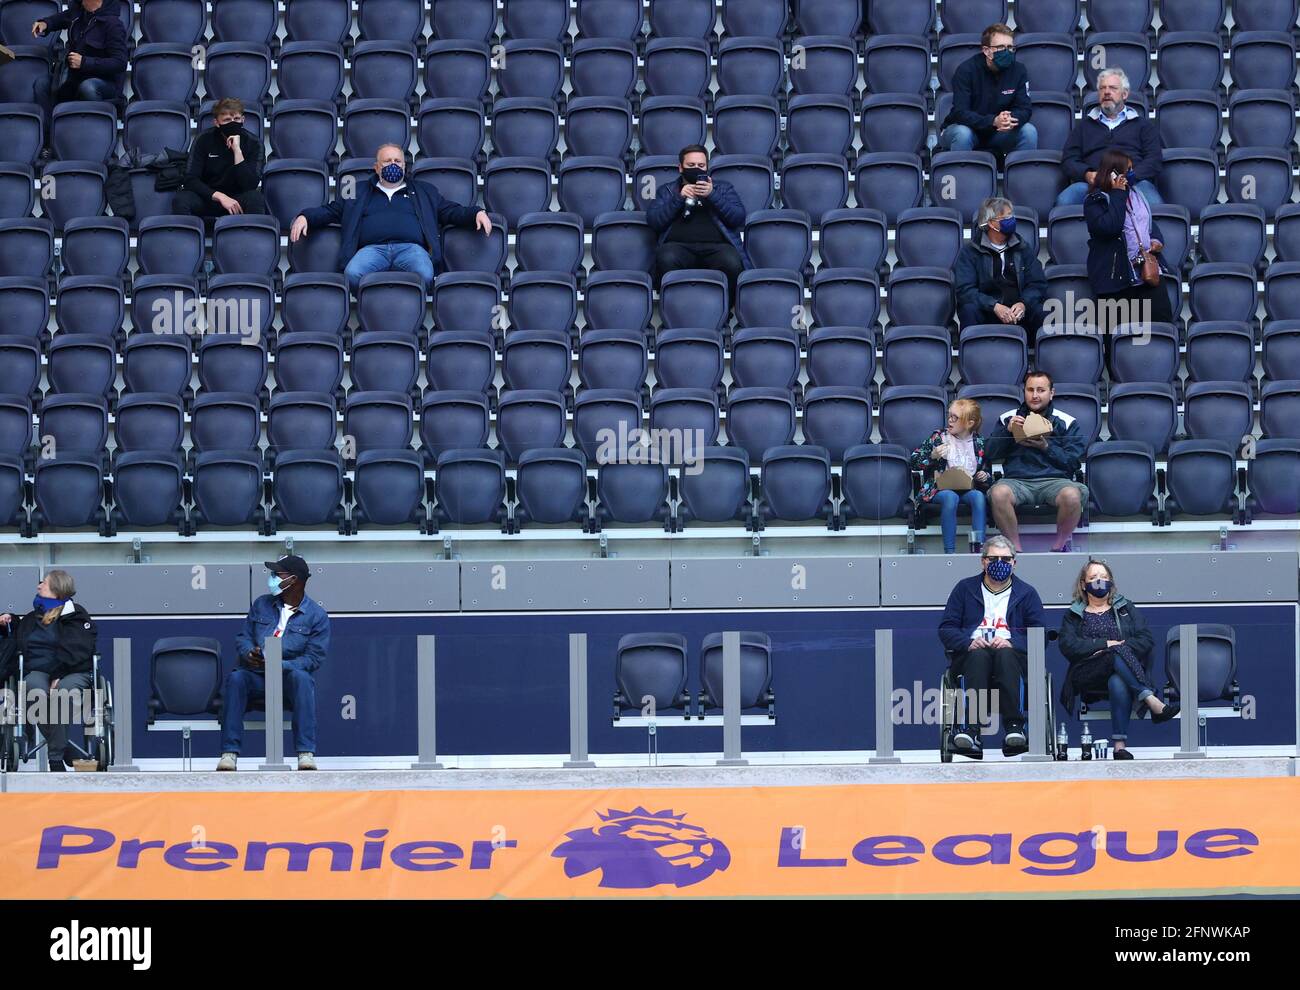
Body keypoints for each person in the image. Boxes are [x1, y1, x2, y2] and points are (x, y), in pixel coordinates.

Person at [289, 143, 493, 295]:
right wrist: (305, 216)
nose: (393, 165)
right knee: (352, 274)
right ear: (377, 167)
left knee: (425, 274)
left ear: (404, 166)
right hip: (371, 250)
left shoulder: (424, 191)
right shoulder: (356, 190)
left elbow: (450, 211)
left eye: (397, 161)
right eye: (387, 161)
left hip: (411, 249)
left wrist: (476, 212)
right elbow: (331, 210)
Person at [938, 536, 1047, 758]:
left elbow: (1040, 634)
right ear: (982, 562)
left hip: (1013, 659)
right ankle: (971, 731)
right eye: (993, 558)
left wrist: (1012, 642)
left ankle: (1015, 728)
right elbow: (946, 629)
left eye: (1005, 559)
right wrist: (968, 642)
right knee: (979, 655)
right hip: (971, 657)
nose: (999, 563)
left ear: (1014, 563)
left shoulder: (1027, 593)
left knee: (1005, 653)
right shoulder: (964, 589)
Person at [217, 555, 330, 771]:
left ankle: (305, 753)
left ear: (294, 580)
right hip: (256, 676)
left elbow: (313, 659)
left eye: (277, 575)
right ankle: (229, 753)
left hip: (287, 680)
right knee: (237, 678)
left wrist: (279, 666)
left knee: (303, 679)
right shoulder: (261, 604)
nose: (272, 579)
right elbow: (243, 637)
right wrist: (250, 652)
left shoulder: (317, 616)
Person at [1058, 559, 1179, 758]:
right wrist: (1105, 645)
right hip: (1087, 673)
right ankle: (1150, 698)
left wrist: (1118, 648)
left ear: (1111, 582)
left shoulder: (1124, 608)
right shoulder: (1074, 613)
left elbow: (1146, 639)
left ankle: (1119, 746)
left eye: (1104, 577)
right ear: (1083, 584)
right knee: (1113, 651)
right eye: (1093, 577)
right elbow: (1068, 645)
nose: (1099, 581)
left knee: (1117, 679)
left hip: (1121, 670)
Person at [0, 570, 97, 772]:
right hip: (39, 670)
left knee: (61, 694)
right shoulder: (35, 615)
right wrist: (8, 621)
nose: (38, 586)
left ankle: (55, 759)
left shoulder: (75, 615)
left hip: (71, 670)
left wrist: (58, 675)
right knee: (32, 688)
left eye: (43, 583)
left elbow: (78, 650)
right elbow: (20, 631)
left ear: (55, 590)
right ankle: (65, 748)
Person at [985, 370, 1089, 553]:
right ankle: (1014, 551)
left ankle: (1058, 548)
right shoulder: (1008, 418)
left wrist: (1046, 447)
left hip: (1055, 481)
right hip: (1017, 481)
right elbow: (990, 453)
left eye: (1040, 390)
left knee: (1073, 495)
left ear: (1052, 393)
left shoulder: (1066, 421)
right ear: (1023, 391)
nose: (1034, 395)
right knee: (999, 493)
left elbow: (1073, 463)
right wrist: (1006, 432)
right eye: (1030, 389)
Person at [647, 144, 752, 305]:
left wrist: (712, 195)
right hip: (678, 247)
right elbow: (654, 221)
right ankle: (676, 310)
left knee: (731, 262)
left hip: (717, 248)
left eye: (701, 166)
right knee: (666, 257)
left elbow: (738, 218)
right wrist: (678, 198)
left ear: (707, 167)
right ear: (680, 168)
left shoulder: (722, 188)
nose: (696, 169)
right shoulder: (667, 190)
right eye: (691, 166)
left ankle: (724, 312)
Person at [1083, 148, 1175, 333]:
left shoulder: (1137, 194)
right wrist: (1118, 194)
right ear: (1113, 173)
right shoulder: (1095, 200)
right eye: (1128, 170)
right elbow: (1109, 227)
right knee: (1118, 338)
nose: (1132, 174)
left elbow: (1147, 222)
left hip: (1146, 272)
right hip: (1116, 279)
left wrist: (1155, 239)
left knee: (1161, 329)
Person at [1056, 68, 1163, 207]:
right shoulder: (1084, 126)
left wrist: (1130, 177)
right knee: (1064, 202)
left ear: (1124, 94)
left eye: (1112, 88)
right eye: (1102, 88)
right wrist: (1087, 174)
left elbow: (1154, 159)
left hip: (1134, 183)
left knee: (1155, 205)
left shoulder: (1143, 125)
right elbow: (1069, 159)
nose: (1106, 92)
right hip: (1093, 183)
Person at [954, 196, 1047, 343]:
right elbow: (964, 290)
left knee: (1042, 312)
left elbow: (1037, 283)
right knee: (969, 310)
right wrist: (994, 306)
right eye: (1006, 217)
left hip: (1019, 312)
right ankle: (973, 357)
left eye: (1011, 215)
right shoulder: (970, 251)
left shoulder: (1022, 247)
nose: (1011, 220)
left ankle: (1038, 363)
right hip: (987, 312)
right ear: (991, 223)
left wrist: (1023, 303)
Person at [31, 0, 128, 139]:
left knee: (88, 87)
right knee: (42, 84)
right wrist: (45, 24)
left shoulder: (113, 24)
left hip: (105, 83)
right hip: (74, 78)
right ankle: (49, 139)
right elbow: (60, 19)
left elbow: (119, 63)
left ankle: (96, 138)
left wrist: (85, 62)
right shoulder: (77, 13)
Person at [939, 23, 1037, 155]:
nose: (1007, 52)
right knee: (963, 134)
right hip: (965, 129)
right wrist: (993, 121)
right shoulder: (966, 70)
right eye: (1001, 48)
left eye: (1010, 48)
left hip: (997, 132)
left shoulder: (1018, 70)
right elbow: (960, 113)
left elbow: (1025, 108)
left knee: (1028, 131)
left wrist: (1008, 119)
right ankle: (962, 175)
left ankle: (1023, 175)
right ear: (986, 51)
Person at [910, 398, 991, 554]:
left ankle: (979, 550)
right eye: (949, 416)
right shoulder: (939, 437)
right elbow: (913, 461)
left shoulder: (979, 442)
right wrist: (932, 455)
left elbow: (988, 472)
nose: (950, 420)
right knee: (950, 497)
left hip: (968, 488)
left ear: (970, 423)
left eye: (955, 418)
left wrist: (984, 476)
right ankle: (950, 552)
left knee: (978, 497)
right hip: (940, 489)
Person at [171, 97, 268, 220]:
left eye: (237, 119)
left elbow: (250, 185)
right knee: (181, 199)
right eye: (227, 120)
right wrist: (220, 196)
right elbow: (190, 179)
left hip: (237, 200)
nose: (233, 123)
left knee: (255, 198)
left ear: (243, 120)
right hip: (209, 197)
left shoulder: (254, 143)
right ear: (216, 123)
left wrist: (237, 150)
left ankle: (250, 238)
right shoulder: (203, 139)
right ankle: (188, 237)